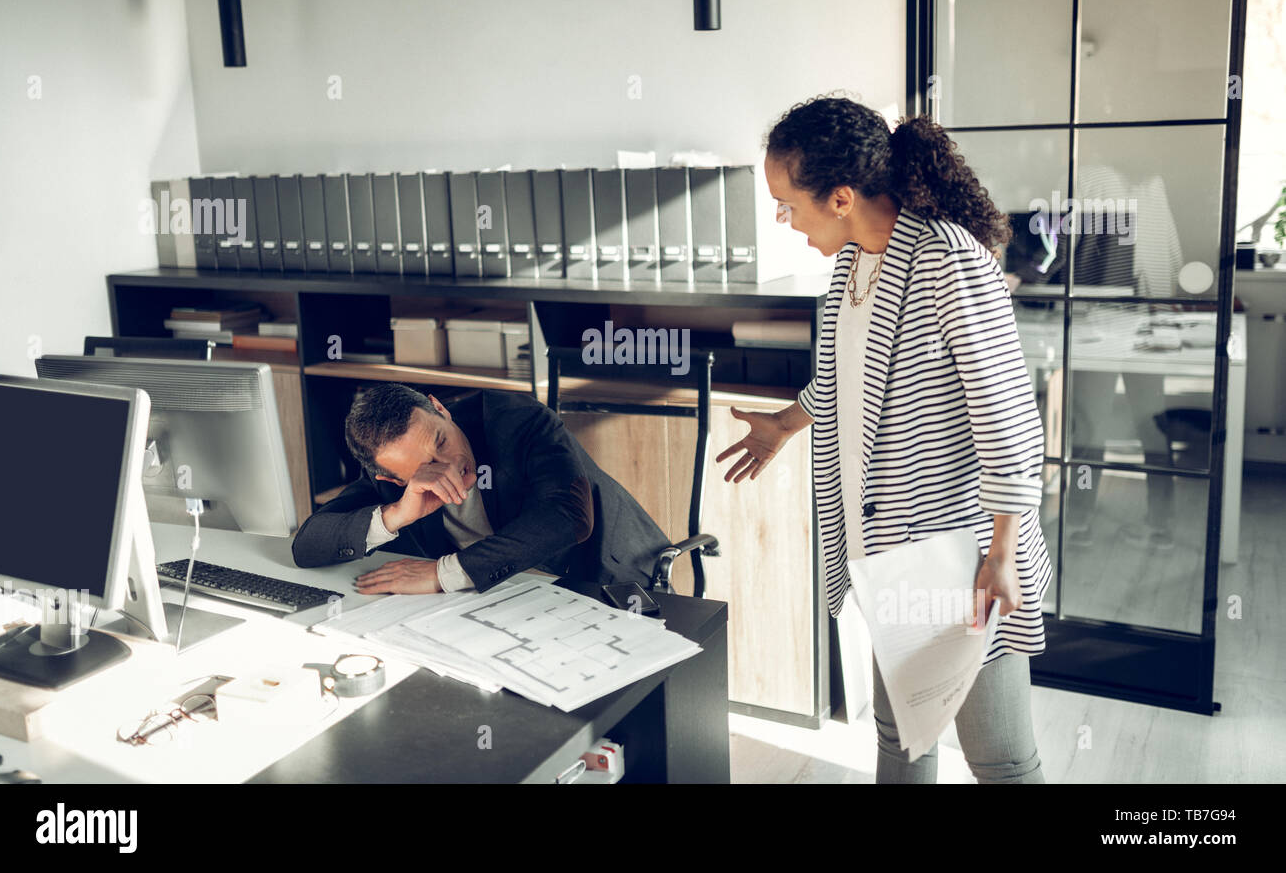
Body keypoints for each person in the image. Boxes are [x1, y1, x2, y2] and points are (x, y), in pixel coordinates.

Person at [716, 94, 1051, 783]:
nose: (784, 219)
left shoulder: (949, 262)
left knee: (1003, 763)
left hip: (959, 562)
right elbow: (846, 381)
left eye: (788, 203)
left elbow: (1008, 417)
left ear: (840, 197)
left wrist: (1004, 553)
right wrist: (785, 423)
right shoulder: (850, 266)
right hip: (888, 556)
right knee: (902, 742)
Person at [291, 384, 670, 595]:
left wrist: (443, 574)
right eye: (426, 468)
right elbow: (307, 545)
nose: (451, 464)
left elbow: (568, 517)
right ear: (394, 479)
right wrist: (397, 515)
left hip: (611, 575)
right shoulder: (389, 476)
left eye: (441, 441)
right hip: (504, 593)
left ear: (440, 409)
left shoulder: (516, 420)